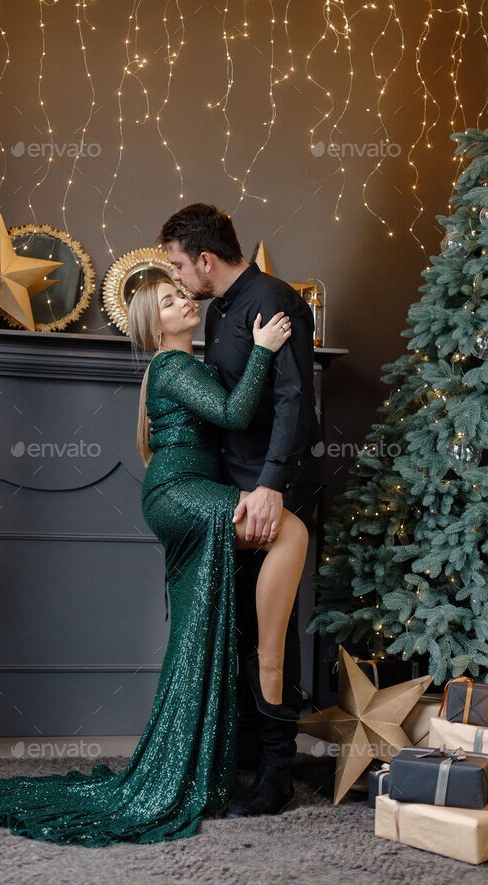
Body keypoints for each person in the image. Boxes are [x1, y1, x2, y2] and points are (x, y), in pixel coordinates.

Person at [0, 276, 307, 847]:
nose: (184, 303)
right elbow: (235, 413)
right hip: (176, 491)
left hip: (181, 489)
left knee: (202, 622)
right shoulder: (172, 367)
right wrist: (266, 351)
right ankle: (269, 673)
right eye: (171, 302)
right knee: (288, 529)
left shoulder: (184, 365)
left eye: (183, 295)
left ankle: (240, 727)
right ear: (154, 326)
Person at [158, 202, 325, 817]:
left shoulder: (273, 299)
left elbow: (292, 402)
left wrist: (272, 486)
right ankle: (243, 758)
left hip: (265, 491)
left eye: (178, 264)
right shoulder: (222, 307)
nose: (176, 277)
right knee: (237, 628)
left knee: (267, 636)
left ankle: (277, 777)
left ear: (205, 260)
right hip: (228, 494)